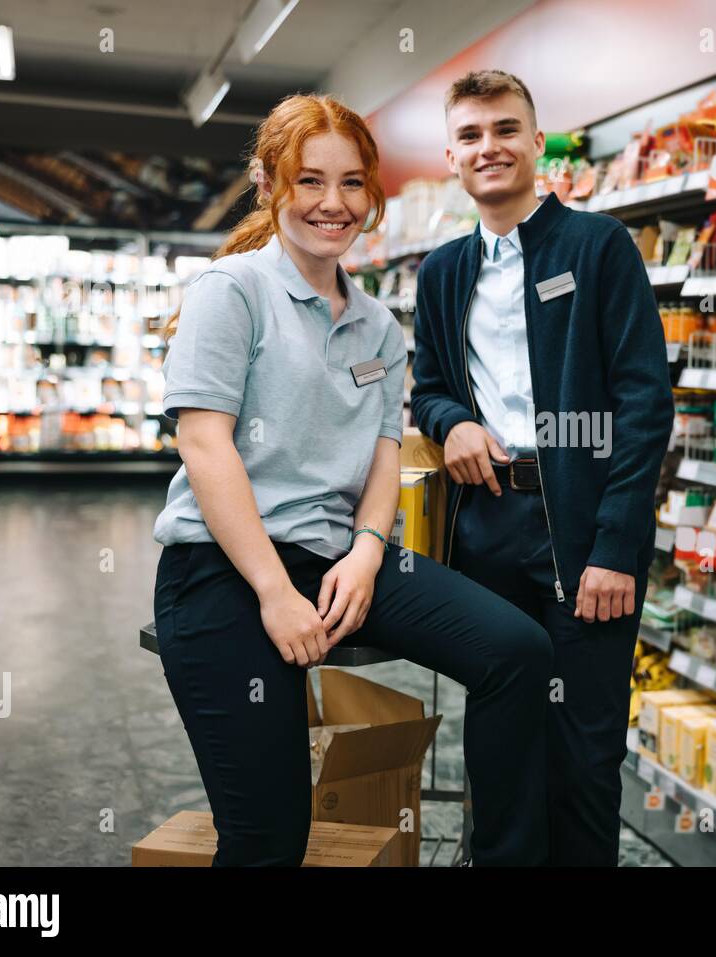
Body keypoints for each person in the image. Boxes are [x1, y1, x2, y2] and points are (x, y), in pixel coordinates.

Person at [152, 93, 551, 867]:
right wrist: (273, 592)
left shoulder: (377, 325)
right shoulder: (231, 291)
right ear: (269, 185)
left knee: (518, 648)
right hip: (225, 569)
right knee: (270, 836)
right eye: (309, 181)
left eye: (352, 184)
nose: (333, 204)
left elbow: (380, 453)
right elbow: (206, 447)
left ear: (372, 193)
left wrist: (369, 550)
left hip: (339, 560)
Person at [411, 70, 674, 865]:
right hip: (488, 524)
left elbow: (643, 402)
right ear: (452, 155)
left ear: (534, 141)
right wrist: (451, 420)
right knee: (499, 739)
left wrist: (615, 546)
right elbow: (426, 388)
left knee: (585, 751)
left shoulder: (598, 247)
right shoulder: (442, 271)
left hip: (581, 529)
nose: (488, 147)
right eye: (470, 135)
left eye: (504, 129)